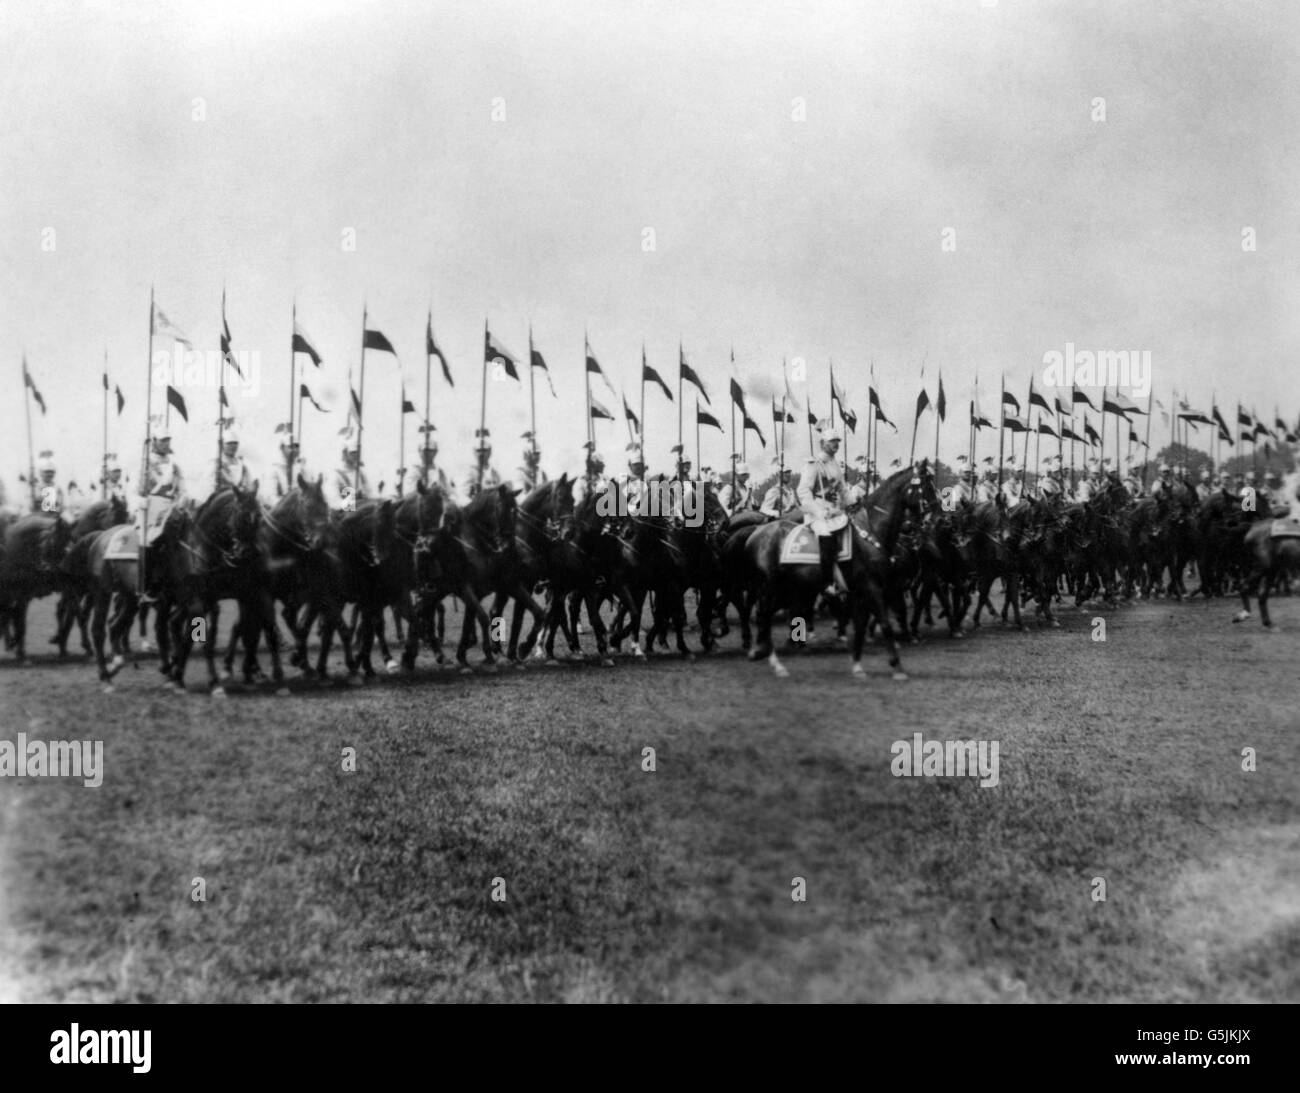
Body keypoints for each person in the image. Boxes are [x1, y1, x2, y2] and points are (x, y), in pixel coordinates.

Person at [796, 421, 862, 599]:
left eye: (837, 441)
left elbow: (842, 490)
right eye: (832, 441)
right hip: (817, 511)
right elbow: (803, 490)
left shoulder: (835, 464)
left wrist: (854, 502)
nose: (836, 444)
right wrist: (817, 510)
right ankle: (826, 583)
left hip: (835, 511)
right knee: (827, 537)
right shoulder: (813, 464)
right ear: (823, 443)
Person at [330, 435, 369, 510]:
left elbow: (369, 494)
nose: (356, 455)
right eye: (353, 452)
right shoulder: (336, 475)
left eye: (357, 452)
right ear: (344, 453)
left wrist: (363, 495)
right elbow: (335, 503)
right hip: (344, 515)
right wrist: (352, 498)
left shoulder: (361, 474)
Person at [463, 432, 501, 501]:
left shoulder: (495, 473)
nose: (481, 453)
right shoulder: (470, 472)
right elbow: (465, 494)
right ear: (474, 452)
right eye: (478, 450)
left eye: (484, 450)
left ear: (489, 452)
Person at [617, 447, 648, 515]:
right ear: (630, 466)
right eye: (635, 465)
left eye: (640, 464)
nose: (638, 467)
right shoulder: (624, 480)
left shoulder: (647, 481)